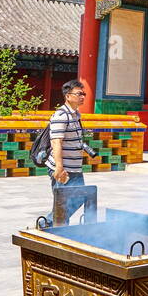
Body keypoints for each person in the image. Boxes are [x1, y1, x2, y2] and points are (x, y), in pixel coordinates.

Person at [37, 79, 96, 229]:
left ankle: (53, 224)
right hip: (63, 168)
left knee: (77, 199)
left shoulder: (76, 115)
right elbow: (56, 142)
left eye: (84, 94)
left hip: (75, 168)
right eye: (79, 94)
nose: (82, 96)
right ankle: (49, 223)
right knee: (63, 201)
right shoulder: (61, 115)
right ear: (68, 96)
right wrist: (59, 168)